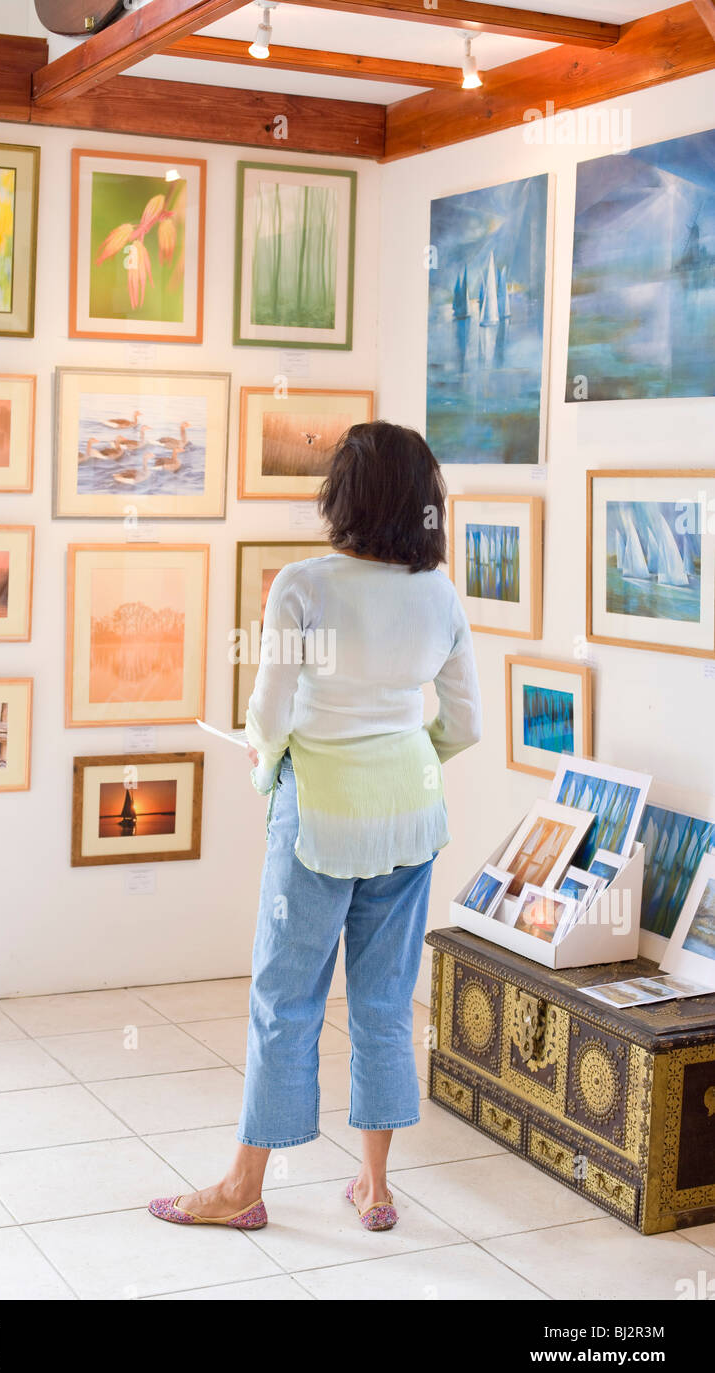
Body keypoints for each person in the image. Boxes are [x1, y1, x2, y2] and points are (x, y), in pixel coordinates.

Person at [149, 421, 482, 1233]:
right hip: (410, 818)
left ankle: (243, 1188)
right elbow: (466, 724)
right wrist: (409, 761)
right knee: (383, 1000)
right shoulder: (438, 594)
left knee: (285, 999)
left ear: (343, 496)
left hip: (319, 817)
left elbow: (268, 713)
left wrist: (269, 761)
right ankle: (373, 1187)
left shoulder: (302, 584)